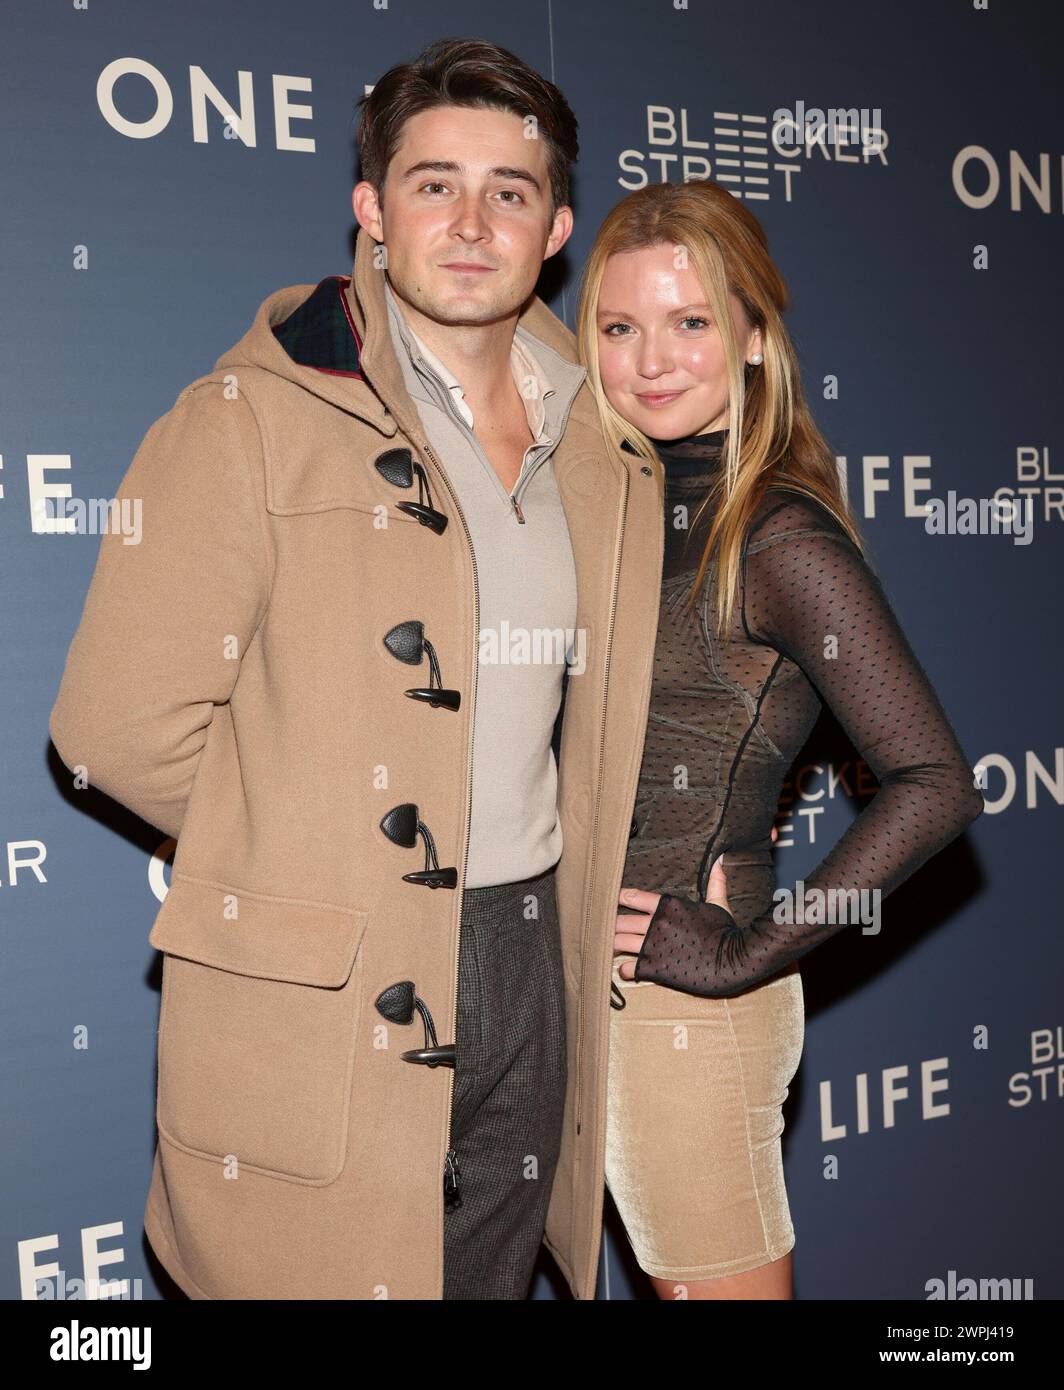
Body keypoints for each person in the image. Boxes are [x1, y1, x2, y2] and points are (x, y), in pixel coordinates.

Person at [47, 38, 667, 1300]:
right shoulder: (253, 418)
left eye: (508, 190)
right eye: (433, 183)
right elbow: (114, 725)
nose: (471, 221)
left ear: (555, 227)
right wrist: (317, 855)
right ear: (371, 211)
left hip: (529, 950)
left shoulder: (602, 441)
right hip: (332, 978)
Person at [574, 179, 985, 1299]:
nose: (651, 358)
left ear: (754, 337)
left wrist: (744, 953)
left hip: (680, 1015)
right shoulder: (603, 512)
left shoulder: (778, 539)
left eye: (690, 321)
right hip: (563, 986)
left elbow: (933, 782)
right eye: (618, 327)